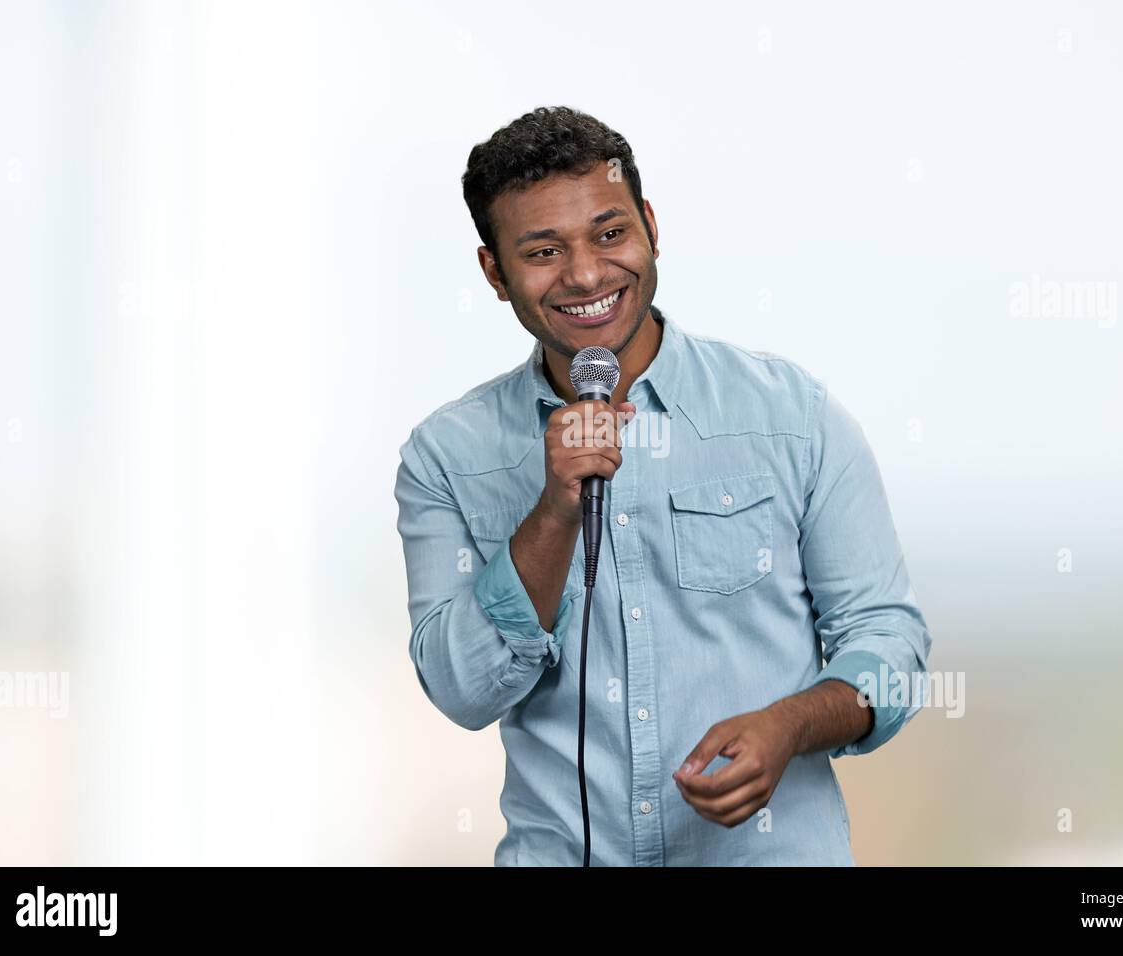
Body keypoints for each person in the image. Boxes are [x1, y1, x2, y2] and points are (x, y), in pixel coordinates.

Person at [394, 106, 933, 866]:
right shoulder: (446, 456)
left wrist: (791, 724)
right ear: (494, 272)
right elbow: (460, 690)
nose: (585, 274)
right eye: (544, 250)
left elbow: (891, 646)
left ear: (649, 225)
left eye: (610, 234)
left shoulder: (791, 416)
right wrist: (553, 511)